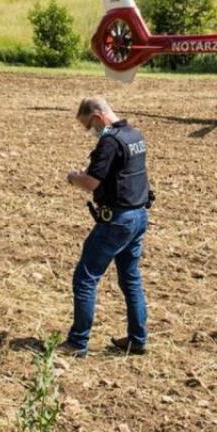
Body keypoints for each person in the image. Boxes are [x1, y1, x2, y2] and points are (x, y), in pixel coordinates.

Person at [61, 96, 151, 357]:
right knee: (130, 278)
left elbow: (92, 183)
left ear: (98, 116)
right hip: (138, 216)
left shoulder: (109, 141)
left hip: (116, 220)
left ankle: (77, 343)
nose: (91, 132)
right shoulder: (134, 135)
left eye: (89, 126)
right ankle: (138, 338)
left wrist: (74, 178)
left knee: (85, 278)